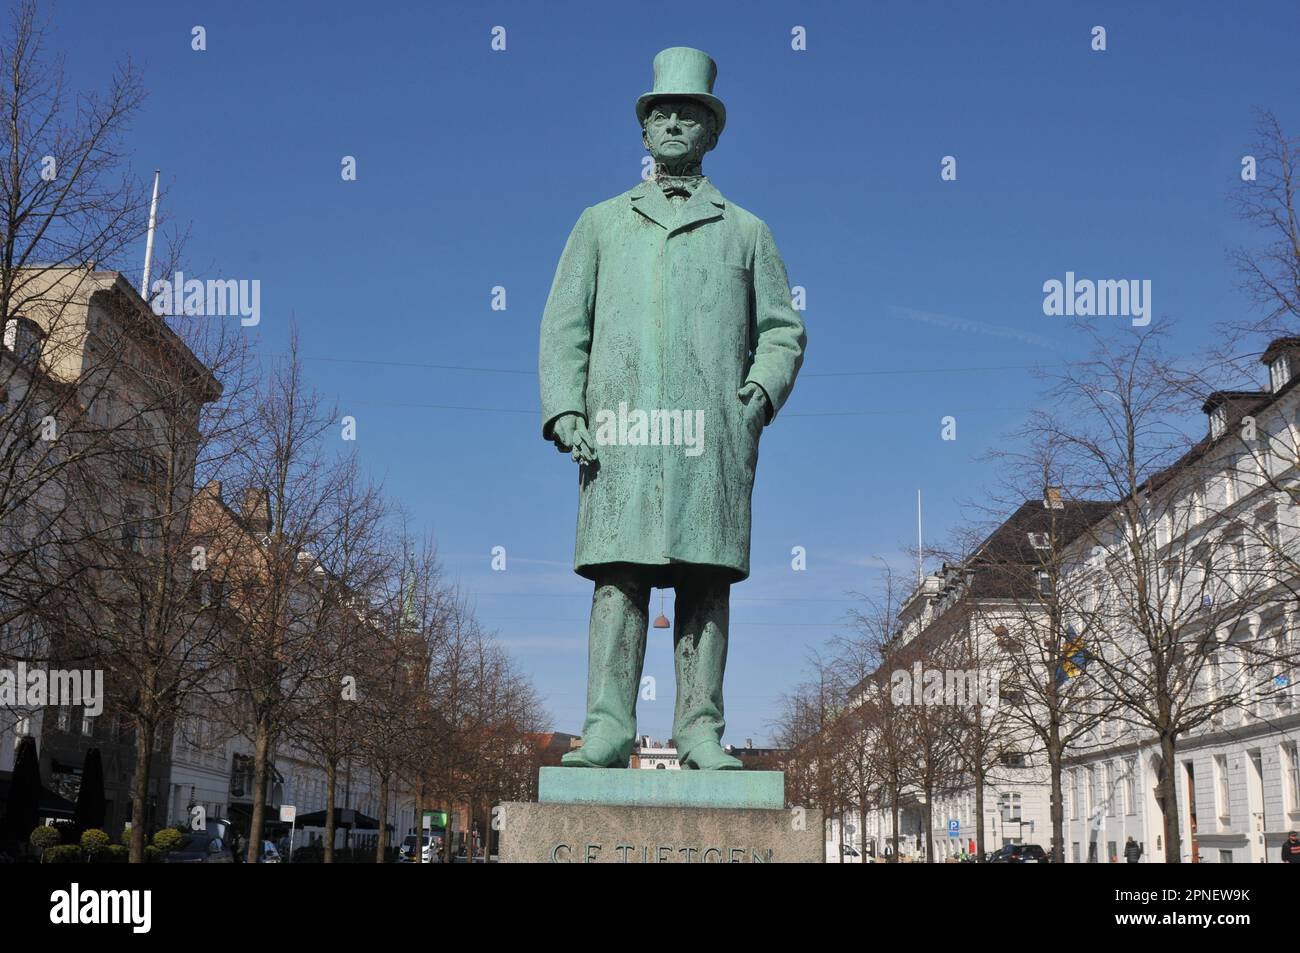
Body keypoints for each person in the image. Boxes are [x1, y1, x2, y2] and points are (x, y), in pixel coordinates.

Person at [540, 47, 805, 770]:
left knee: (705, 581)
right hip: (619, 437)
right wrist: (565, 406)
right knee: (618, 582)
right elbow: (566, 323)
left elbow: (783, 328)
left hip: (710, 440)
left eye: (692, 113)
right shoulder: (599, 223)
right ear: (645, 130)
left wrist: (754, 399)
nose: (677, 123)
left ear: (713, 131)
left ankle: (698, 730)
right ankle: (607, 727)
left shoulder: (747, 231)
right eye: (664, 113)